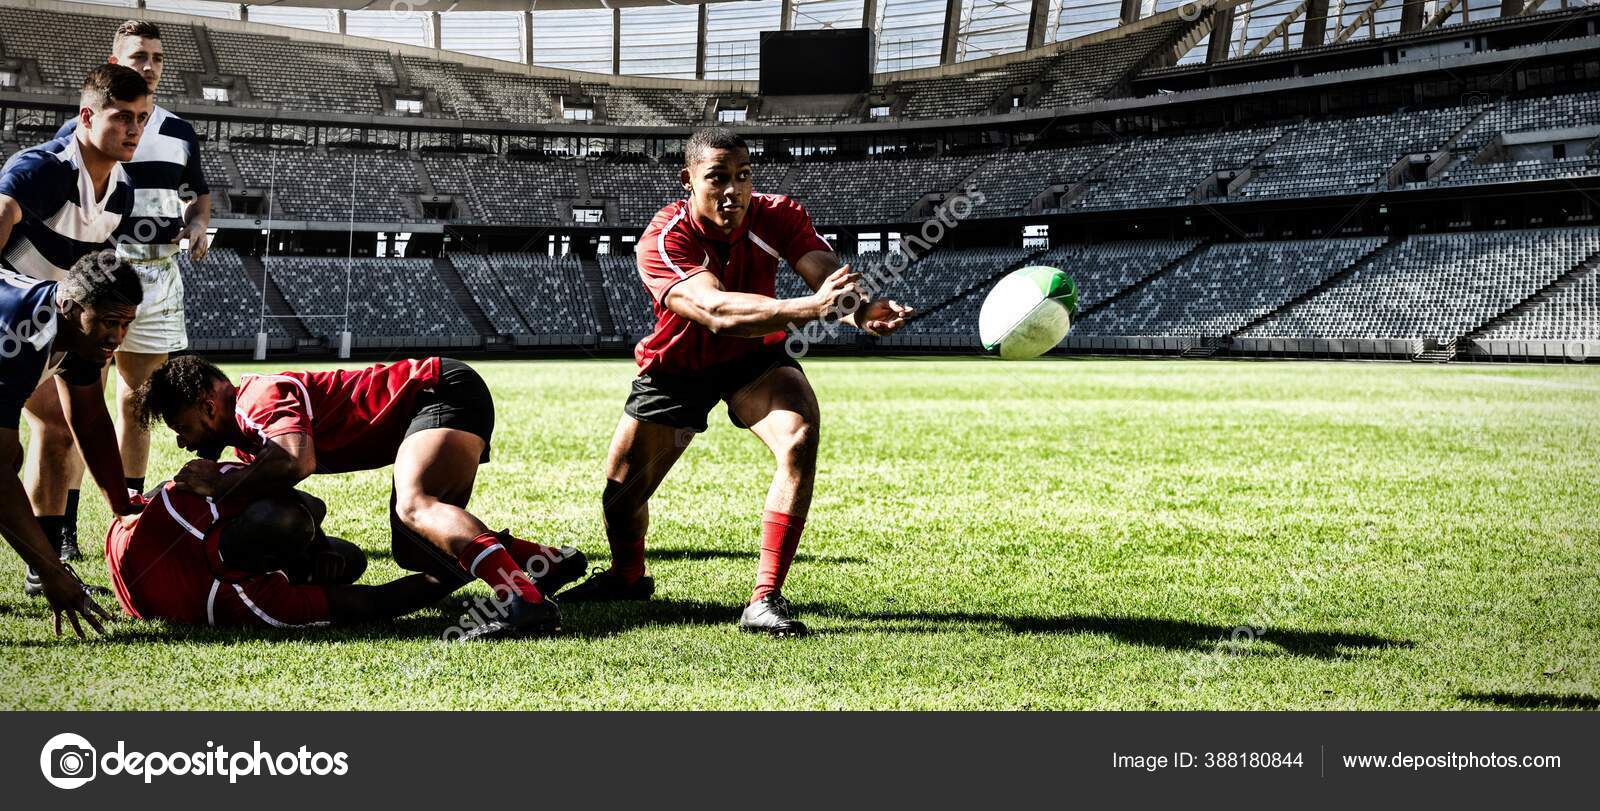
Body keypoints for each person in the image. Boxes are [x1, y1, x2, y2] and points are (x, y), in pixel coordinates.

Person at [558, 128, 913, 636]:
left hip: (755, 359)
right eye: (717, 178)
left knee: (799, 437)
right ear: (688, 180)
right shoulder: (664, 237)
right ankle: (627, 577)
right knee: (621, 497)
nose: (733, 190)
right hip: (679, 366)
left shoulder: (780, 214)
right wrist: (809, 309)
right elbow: (715, 309)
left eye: (743, 176)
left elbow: (823, 271)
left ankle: (765, 598)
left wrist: (858, 311)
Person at [134, 355, 586, 641]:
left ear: (207, 406)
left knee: (416, 504)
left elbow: (296, 462)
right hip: (430, 403)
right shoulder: (247, 438)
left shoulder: (259, 396)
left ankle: (524, 601)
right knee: (417, 549)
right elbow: (289, 499)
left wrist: (221, 484)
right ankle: (546, 561)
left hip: (438, 390)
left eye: (182, 429)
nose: (183, 443)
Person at [0, 64, 150, 577]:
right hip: (16, 326)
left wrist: (124, 507)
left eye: (143, 119)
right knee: (7, 453)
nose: (135, 129)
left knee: (67, 429)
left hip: (62, 323)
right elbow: (2, 212)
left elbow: (96, 273)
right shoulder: (45, 168)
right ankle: (44, 562)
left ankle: (43, 564)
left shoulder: (123, 192)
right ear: (87, 116)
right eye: (123, 117)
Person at [57, 20, 212, 513]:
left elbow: (198, 196)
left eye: (156, 58)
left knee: (135, 403)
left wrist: (197, 224)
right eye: (137, 56)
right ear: (114, 63)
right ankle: (67, 521)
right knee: (83, 400)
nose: (148, 66)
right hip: (99, 271)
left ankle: (128, 513)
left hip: (158, 270)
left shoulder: (180, 131)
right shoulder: (84, 126)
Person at [106, 477, 485, 630]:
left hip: (135, 541)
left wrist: (317, 543)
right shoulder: (251, 601)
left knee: (347, 557)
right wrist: (466, 565)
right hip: (152, 583)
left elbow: (308, 503)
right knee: (349, 563)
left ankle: (316, 549)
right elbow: (373, 604)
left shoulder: (189, 502)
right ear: (275, 567)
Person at [0, 255, 146, 635]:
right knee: (7, 456)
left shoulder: (76, 333)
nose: (117, 337)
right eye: (109, 322)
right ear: (70, 308)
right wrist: (53, 572)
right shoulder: (18, 334)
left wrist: (122, 507)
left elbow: (91, 421)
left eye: (126, 324)